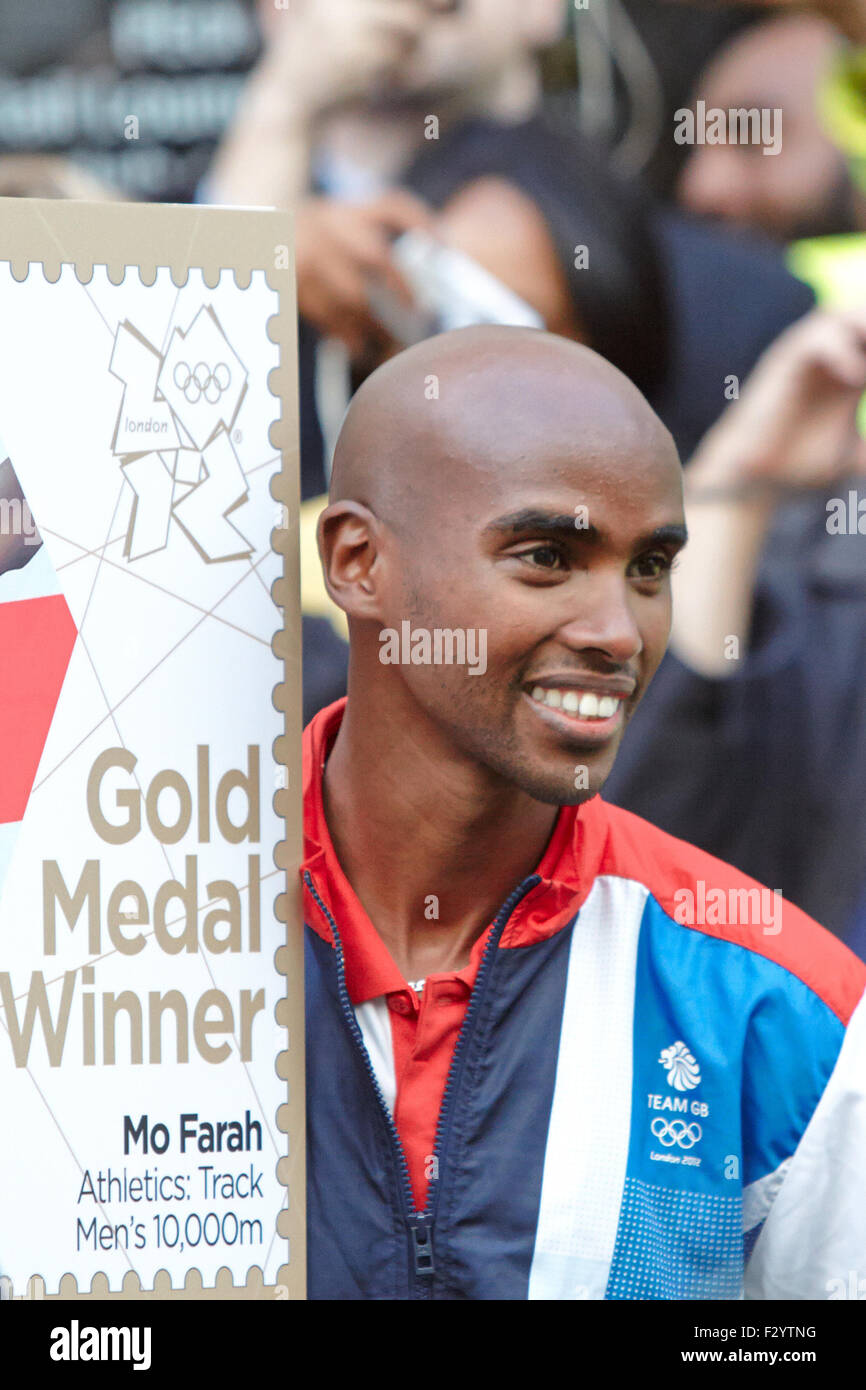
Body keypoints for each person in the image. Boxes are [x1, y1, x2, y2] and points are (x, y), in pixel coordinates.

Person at [303, 323, 866, 1300]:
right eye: (544, 556)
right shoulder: (128, 937)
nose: (617, 631)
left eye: (647, 569)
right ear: (358, 561)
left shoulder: (778, 1003)